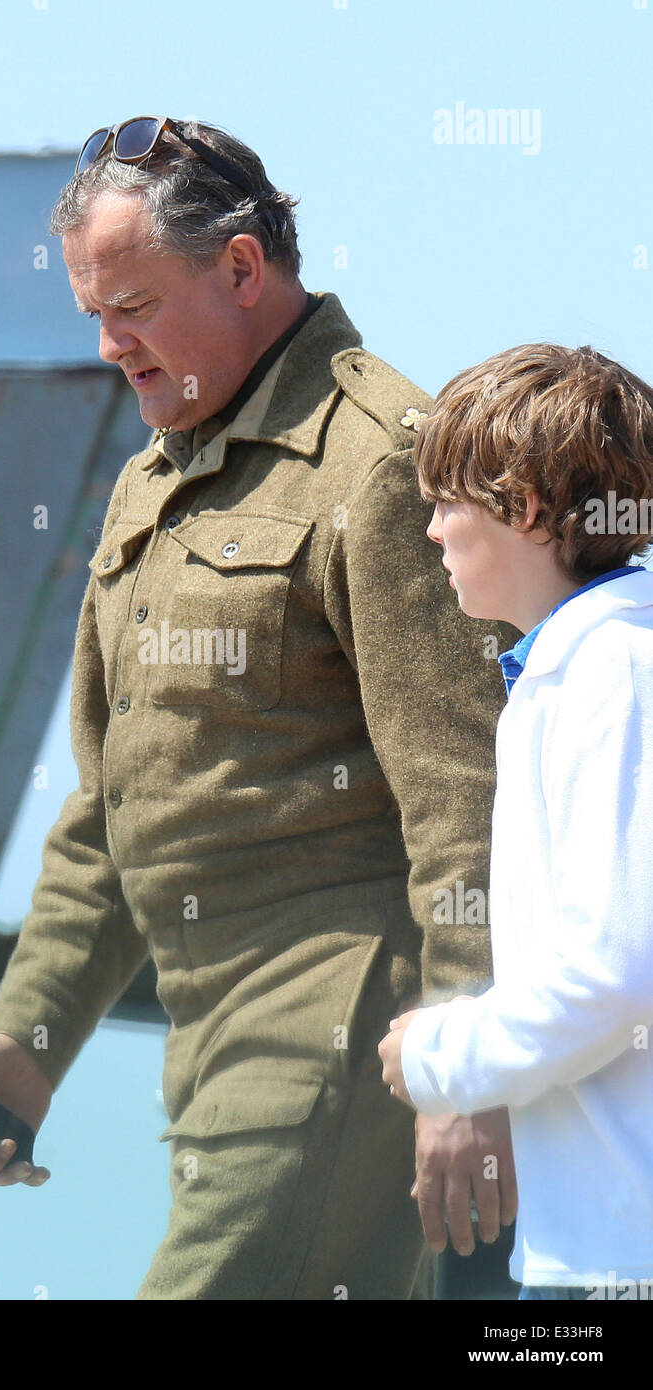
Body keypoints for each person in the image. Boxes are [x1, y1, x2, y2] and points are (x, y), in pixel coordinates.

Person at [0, 116, 517, 1299]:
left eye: (134, 307)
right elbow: (116, 802)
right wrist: (30, 1039)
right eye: (92, 315)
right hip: (209, 1050)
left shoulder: (377, 462)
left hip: (345, 1032)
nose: (108, 346)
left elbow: (467, 792)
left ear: (242, 269)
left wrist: (469, 1066)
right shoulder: (155, 479)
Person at [379, 343, 653, 1300]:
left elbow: (618, 970)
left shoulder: (612, 670)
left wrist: (441, 1056)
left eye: (447, 501)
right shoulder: (587, 664)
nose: (433, 533)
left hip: (620, 1262)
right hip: (594, 1250)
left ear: (525, 507)